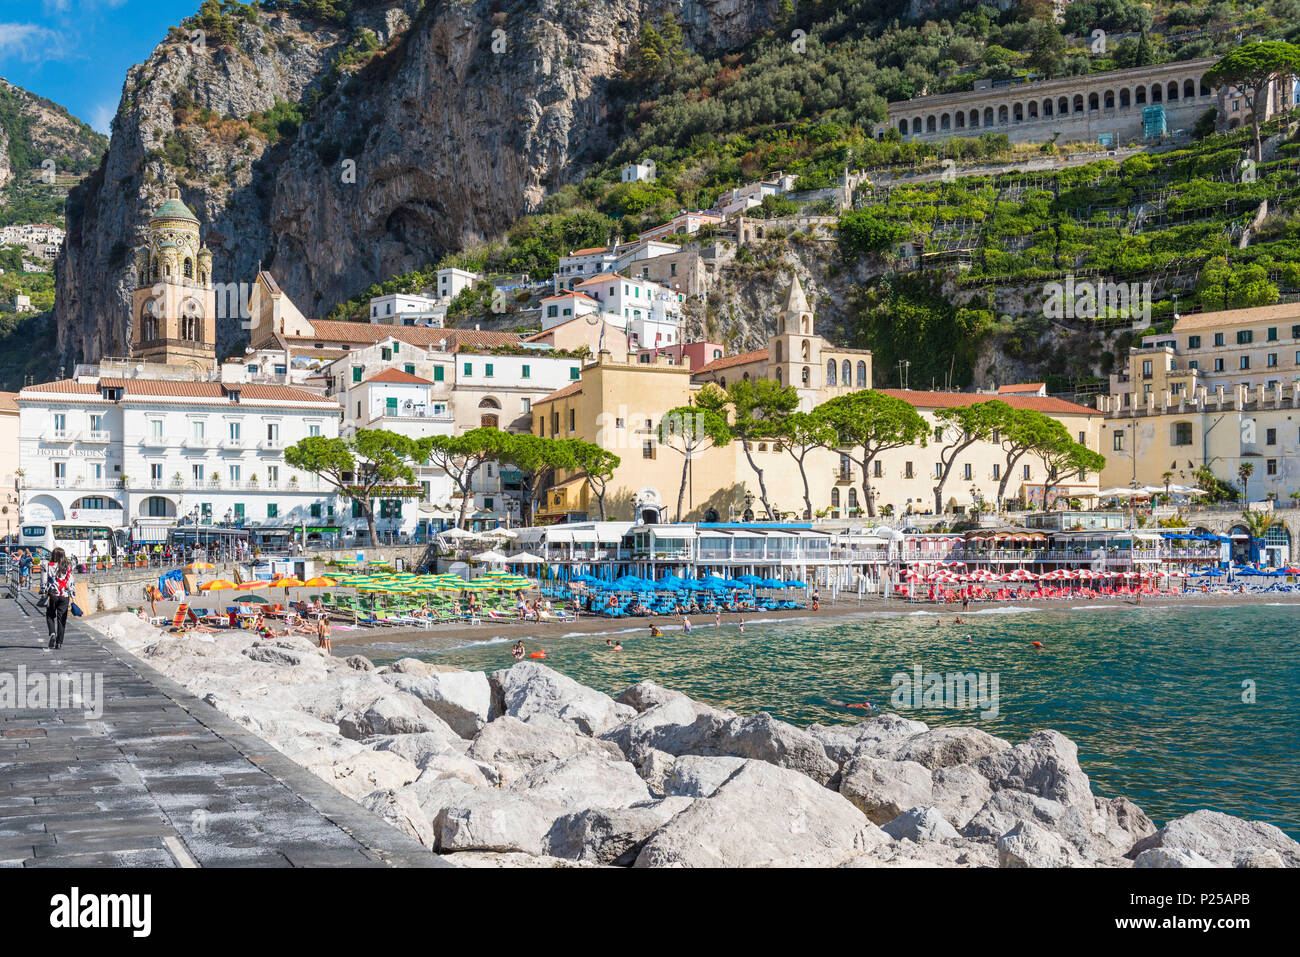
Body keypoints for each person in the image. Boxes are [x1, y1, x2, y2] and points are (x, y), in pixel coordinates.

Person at [43, 547, 74, 650]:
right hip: (64, 596)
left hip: (53, 595)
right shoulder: (67, 567)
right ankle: (59, 643)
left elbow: (43, 581)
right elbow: (70, 583)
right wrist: (73, 597)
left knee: (50, 615)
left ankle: (52, 633)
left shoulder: (48, 566)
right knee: (62, 620)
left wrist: (44, 592)